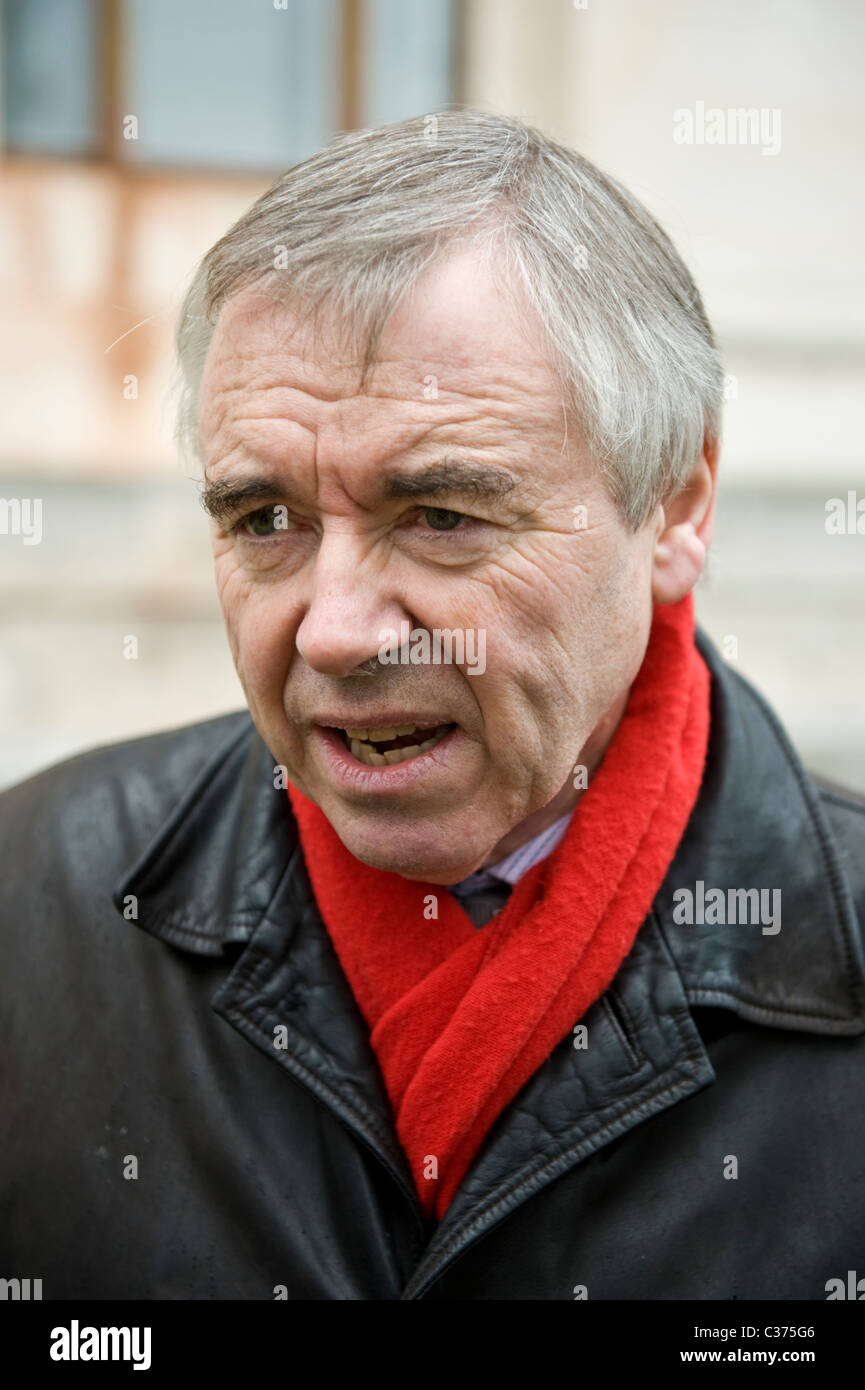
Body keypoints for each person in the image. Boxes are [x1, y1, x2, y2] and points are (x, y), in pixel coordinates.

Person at [2, 110, 864, 1301]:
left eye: (441, 515)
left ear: (672, 508)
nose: (336, 628)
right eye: (265, 519)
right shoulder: (33, 897)